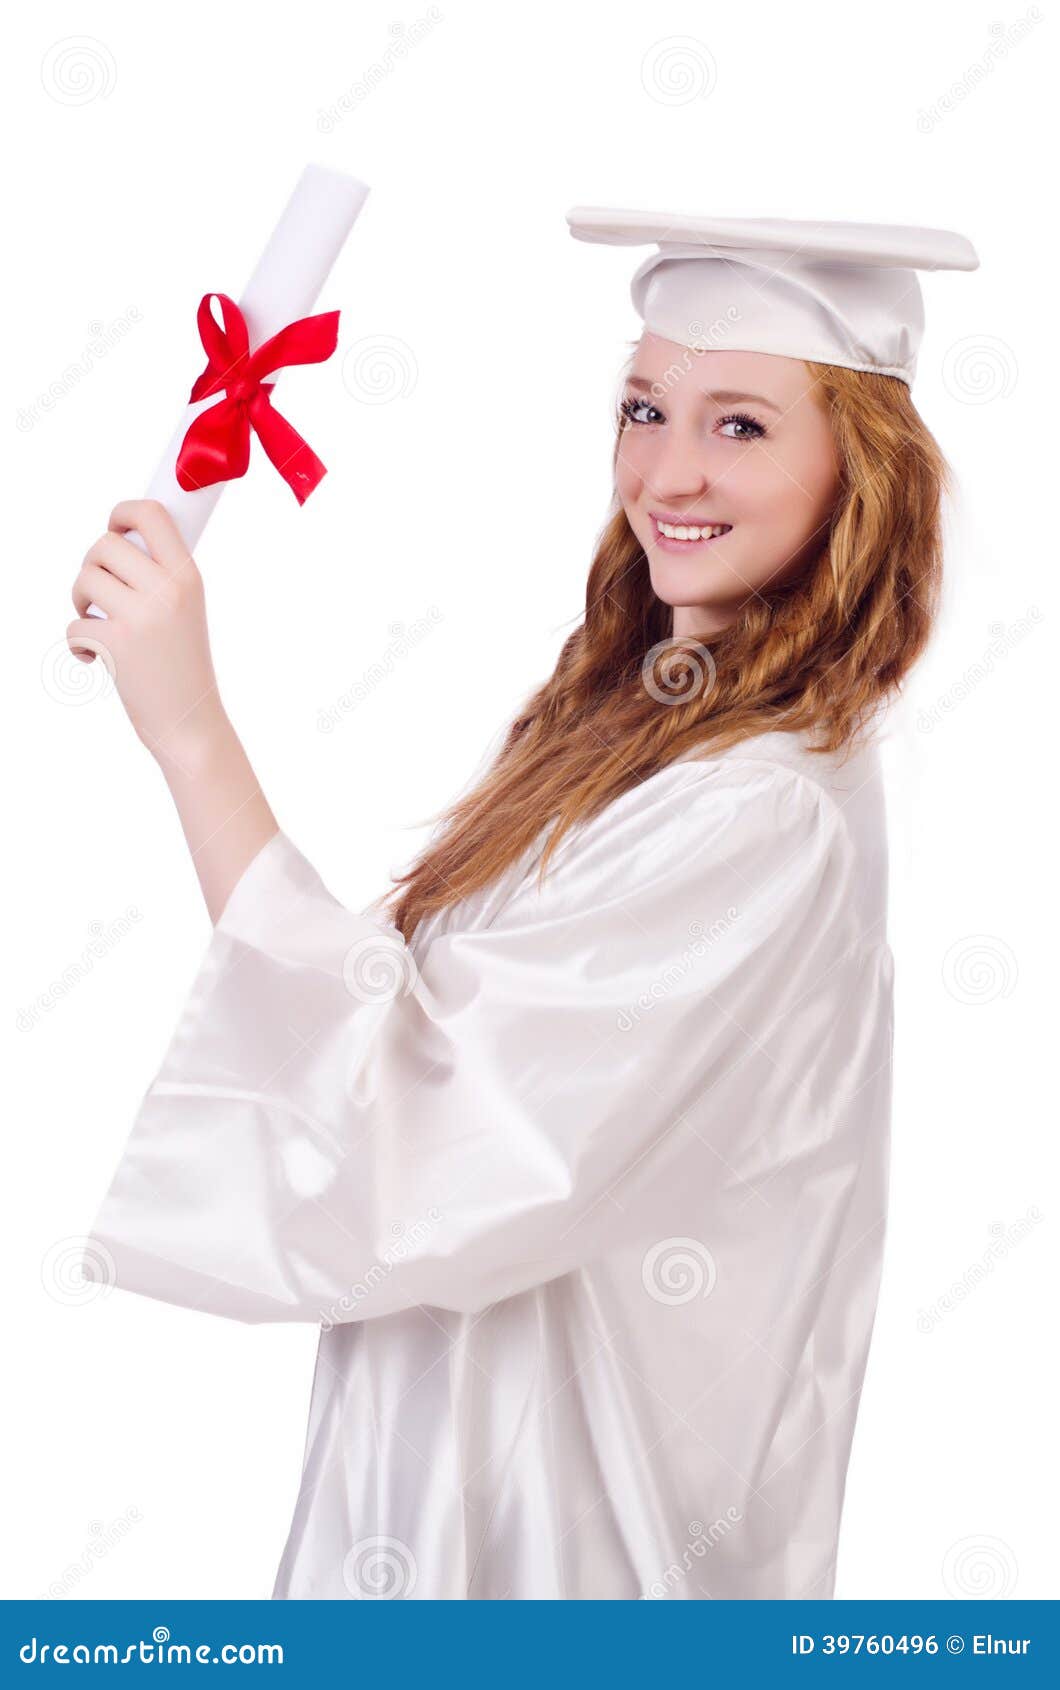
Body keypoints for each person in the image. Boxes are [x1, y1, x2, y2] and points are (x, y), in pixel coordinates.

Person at [70, 210, 979, 1600]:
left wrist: (193, 733)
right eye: (644, 406)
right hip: (451, 1479)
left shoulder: (760, 811)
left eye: (740, 425)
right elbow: (411, 1033)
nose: (667, 470)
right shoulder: (639, 740)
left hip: (564, 1539)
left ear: (858, 467)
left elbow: (437, 1119)